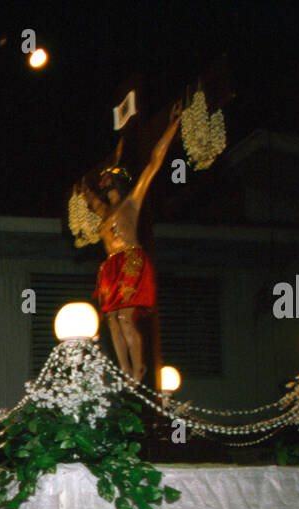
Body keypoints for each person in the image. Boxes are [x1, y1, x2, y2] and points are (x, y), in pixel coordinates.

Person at [78, 98, 184, 384]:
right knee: (111, 319)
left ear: (117, 181)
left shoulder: (132, 202)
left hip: (131, 258)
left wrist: (173, 124)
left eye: (106, 179)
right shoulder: (104, 212)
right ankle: (125, 369)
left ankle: (138, 368)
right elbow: (87, 196)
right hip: (110, 266)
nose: (103, 184)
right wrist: (83, 190)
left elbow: (154, 162)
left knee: (125, 317)